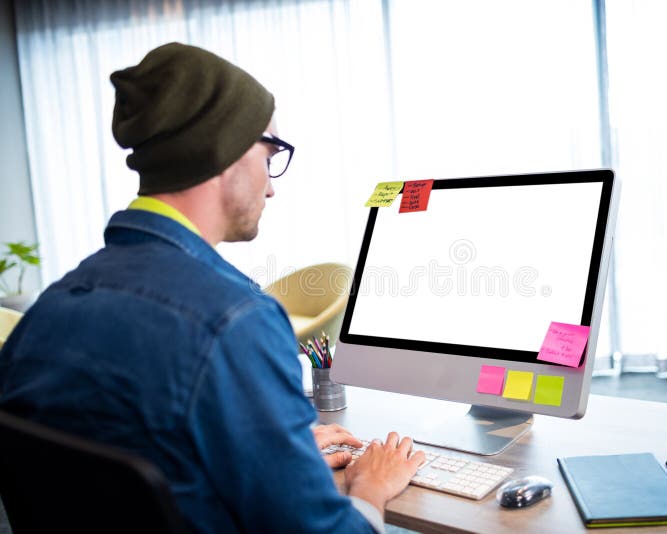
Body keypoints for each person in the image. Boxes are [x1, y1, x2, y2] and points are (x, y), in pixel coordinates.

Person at [0, 42, 424, 533]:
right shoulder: (234, 321)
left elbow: (137, 451)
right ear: (227, 151)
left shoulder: (49, 313)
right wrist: (372, 485)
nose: (271, 186)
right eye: (271, 154)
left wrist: (273, 449)